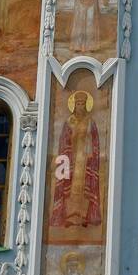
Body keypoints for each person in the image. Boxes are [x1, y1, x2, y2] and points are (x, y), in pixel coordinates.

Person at [50, 91, 101, 230]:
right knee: (69, 188)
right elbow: (63, 140)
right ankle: (69, 217)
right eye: (78, 104)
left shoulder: (90, 122)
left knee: (85, 188)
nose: (80, 106)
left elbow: (95, 140)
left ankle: (84, 217)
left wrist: (92, 155)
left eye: (82, 104)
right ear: (74, 105)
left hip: (85, 159)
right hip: (70, 159)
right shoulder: (69, 121)